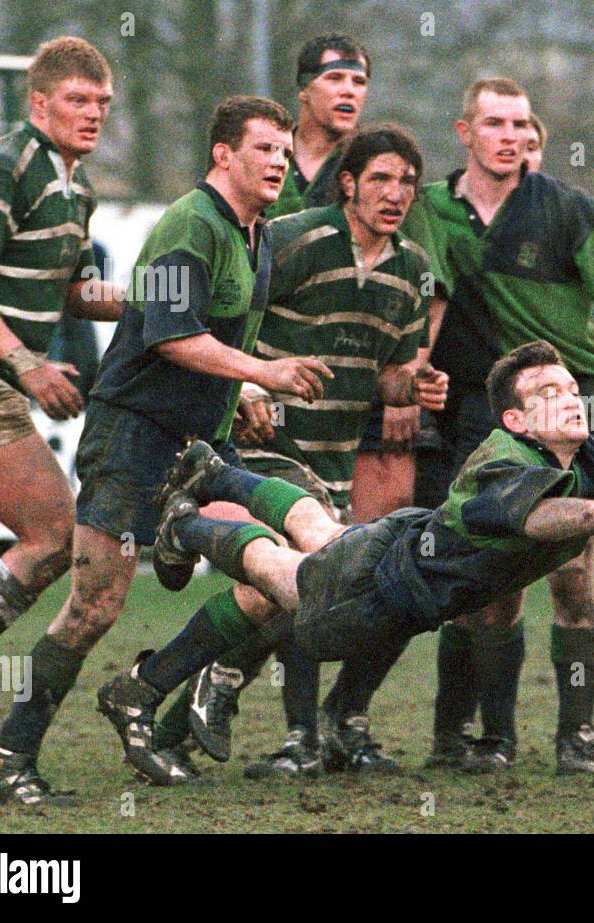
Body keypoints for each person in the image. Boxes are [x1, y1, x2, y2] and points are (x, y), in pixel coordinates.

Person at [138, 341, 594, 784]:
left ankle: (218, 474)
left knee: (317, 529)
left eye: (571, 389)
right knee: (284, 575)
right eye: (549, 395)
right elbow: (545, 520)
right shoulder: (502, 461)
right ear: (515, 419)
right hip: (384, 588)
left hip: (400, 556)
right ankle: (189, 522)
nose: (570, 399)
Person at [0, 96, 333, 806]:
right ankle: (9, 753)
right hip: (134, 434)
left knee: (272, 576)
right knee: (95, 604)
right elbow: (172, 337)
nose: (278, 163)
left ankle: (139, 691)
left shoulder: (254, 233)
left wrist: (247, 394)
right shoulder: (186, 226)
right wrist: (262, 372)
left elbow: (215, 338)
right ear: (223, 154)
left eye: (286, 154)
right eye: (264, 149)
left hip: (204, 443)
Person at [405, 77, 594, 776]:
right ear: (464, 131)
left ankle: (577, 735)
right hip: (485, 413)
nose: (509, 135)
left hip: (578, 403)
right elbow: (421, 302)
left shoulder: (567, 210)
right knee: (484, 578)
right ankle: (487, 735)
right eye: (495, 123)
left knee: (571, 568)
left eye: (520, 124)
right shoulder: (430, 211)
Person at [143, 124, 446, 781]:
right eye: (382, 179)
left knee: (304, 595)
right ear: (348, 183)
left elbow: (388, 373)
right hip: (267, 444)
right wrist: (248, 382)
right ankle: (288, 731)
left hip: (333, 456)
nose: (395, 194)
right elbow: (230, 320)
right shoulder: (296, 237)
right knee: (307, 578)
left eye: (407, 184)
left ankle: (162, 716)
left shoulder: (413, 270)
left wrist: (412, 386)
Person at [0, 37, 122, 774]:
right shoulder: (3, 162)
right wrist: (26, 363)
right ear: (39, 103)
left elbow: (76, 292)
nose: (93, 113)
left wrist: (158, 303)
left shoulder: (79, 187)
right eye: (78, 99)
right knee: (52, 532)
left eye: (102, 102)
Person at [263, 33, 369, 220]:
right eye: (335, 78)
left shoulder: (372, 164)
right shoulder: (265, 156)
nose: (349, 91)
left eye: (359, 82)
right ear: (304, 89)